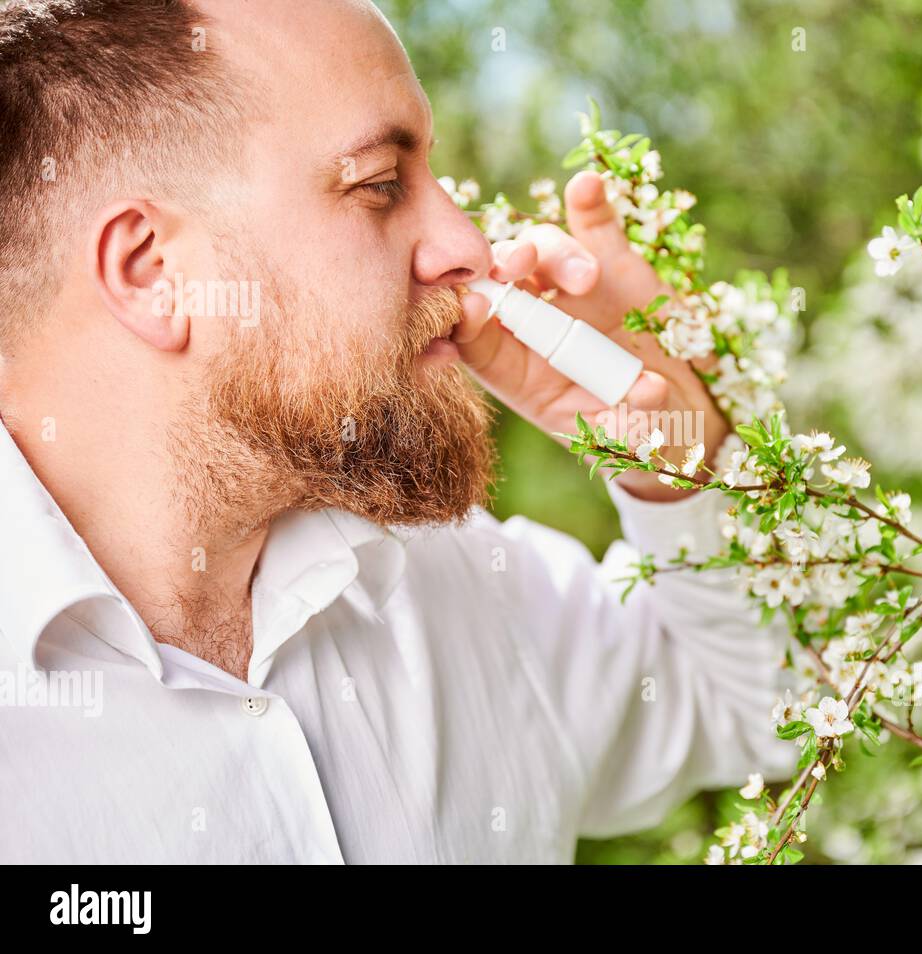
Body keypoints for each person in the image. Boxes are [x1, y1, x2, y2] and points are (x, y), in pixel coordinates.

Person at [0, 0, 793, 862]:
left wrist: (677, 463)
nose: (469, 245)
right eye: (381, 184)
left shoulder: (454, 588)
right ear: (153, 272)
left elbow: (753, 703)